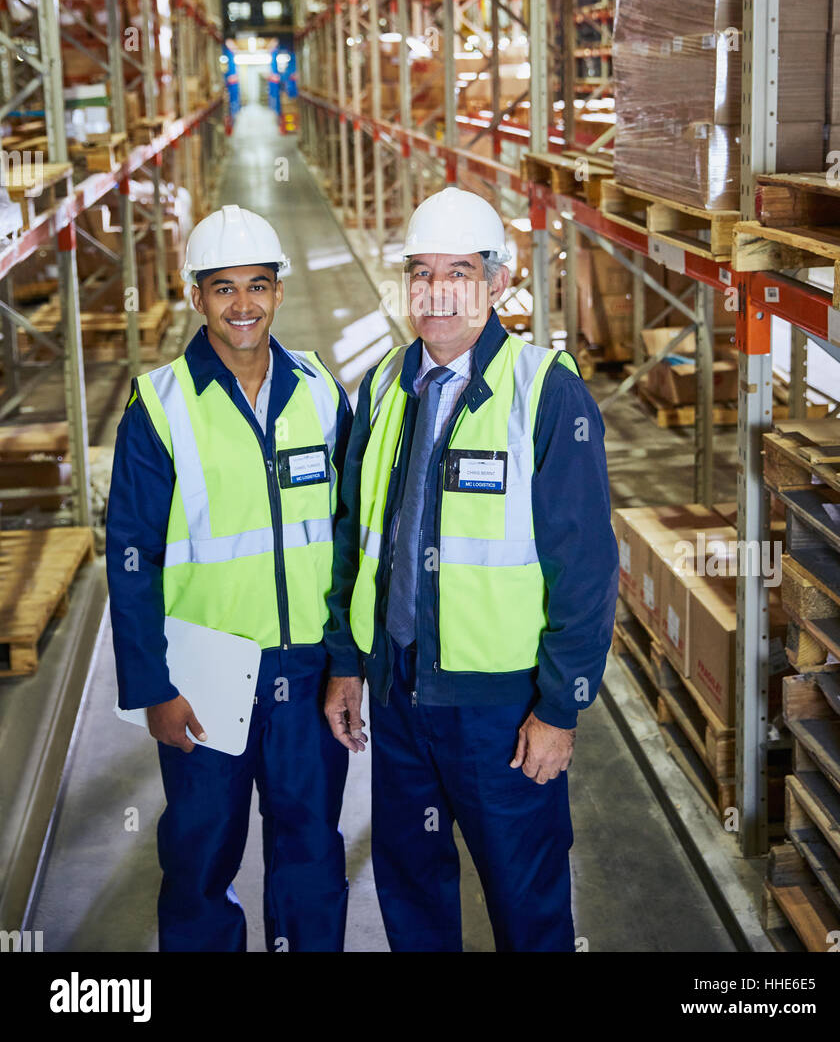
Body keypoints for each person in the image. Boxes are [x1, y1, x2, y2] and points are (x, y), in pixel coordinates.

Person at [324, 186, 619, 953]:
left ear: (496, 282)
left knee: (526, 900)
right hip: (397, 697)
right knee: (412, 887)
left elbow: (585, 568)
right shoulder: (385, 383)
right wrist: (349, 665)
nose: (436, 292)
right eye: (421, 272)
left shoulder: (545, 393)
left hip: (501, 713)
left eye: (459, 271)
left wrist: (560, 708)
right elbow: (355, 538)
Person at [106, 204, 353, 952]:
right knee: (199, 856)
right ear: (195, 296)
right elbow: (131, 559)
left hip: (306, 670)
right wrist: (151, 687)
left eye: (256, 286)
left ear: (279, 292)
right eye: (222, 289)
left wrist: (347, 662)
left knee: (311, 849)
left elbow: (348, 535)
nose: (242, 305)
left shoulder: (318, 391)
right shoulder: (161, 406)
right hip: (206, 676)